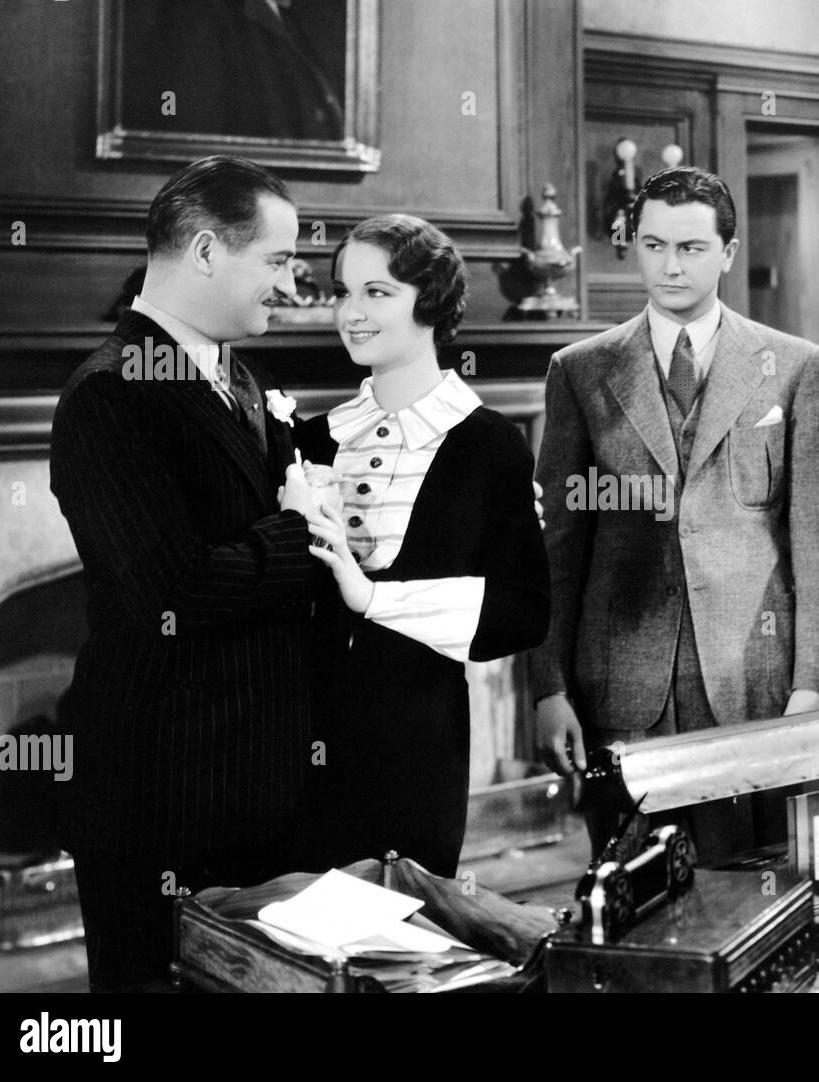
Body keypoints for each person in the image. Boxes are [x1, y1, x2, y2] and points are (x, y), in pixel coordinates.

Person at [50, 155, 324, 991]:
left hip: (263, 792)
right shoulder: (110, 394)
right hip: (162, 800)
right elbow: (175, 591)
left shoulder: (243, 377)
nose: (290, 284)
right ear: (206, 252)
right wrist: (303, 536)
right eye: (276, 261)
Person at [530, 166, 819, 857]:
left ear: (728, 252)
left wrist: (813, 685)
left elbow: (815, 542)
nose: (670, 265)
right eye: (653, 245)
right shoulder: (580, 370)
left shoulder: (792, 367)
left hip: (751, 680)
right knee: (631, 887)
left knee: (752, 882)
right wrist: (547, 685)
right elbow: (557, 546)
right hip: (620, 686)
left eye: (692, 248)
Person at [289, 214, 550, 877]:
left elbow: (522, 611)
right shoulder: (310, 439)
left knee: (405, 947)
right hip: (297, 745)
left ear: (429, 300)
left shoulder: (489, 444)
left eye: (377, 293)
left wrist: (372, 597)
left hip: (417, 751)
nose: (351, 313)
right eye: (344, 292)